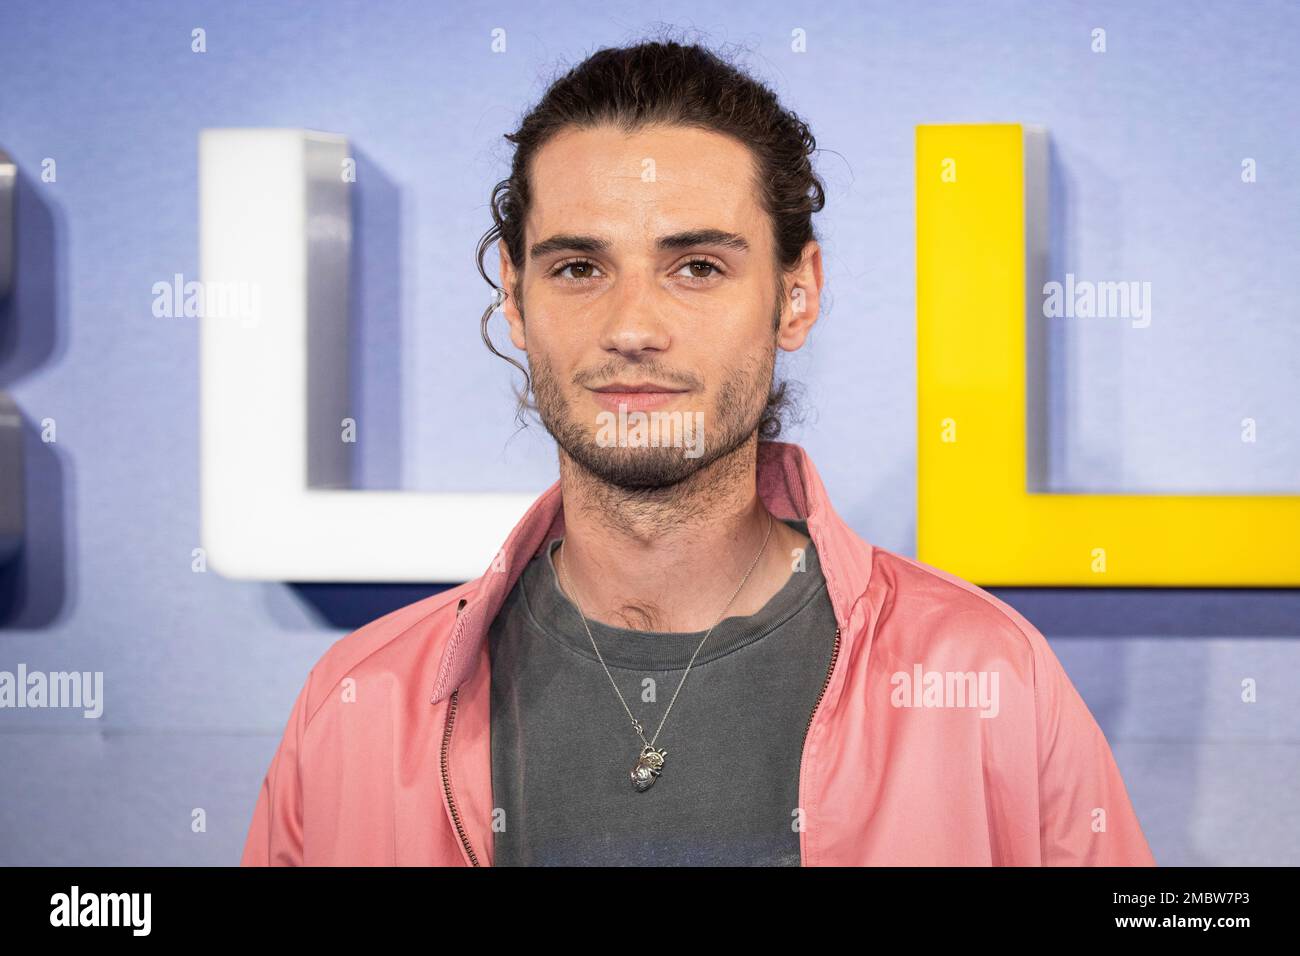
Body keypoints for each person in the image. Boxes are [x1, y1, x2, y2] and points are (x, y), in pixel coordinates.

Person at [240, 38, 1155, 867]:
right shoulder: (357, 706)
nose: (633, 326)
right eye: (578, 268)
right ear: (515, 300)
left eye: (698, 267)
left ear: (796, 296)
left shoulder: (987, 678)